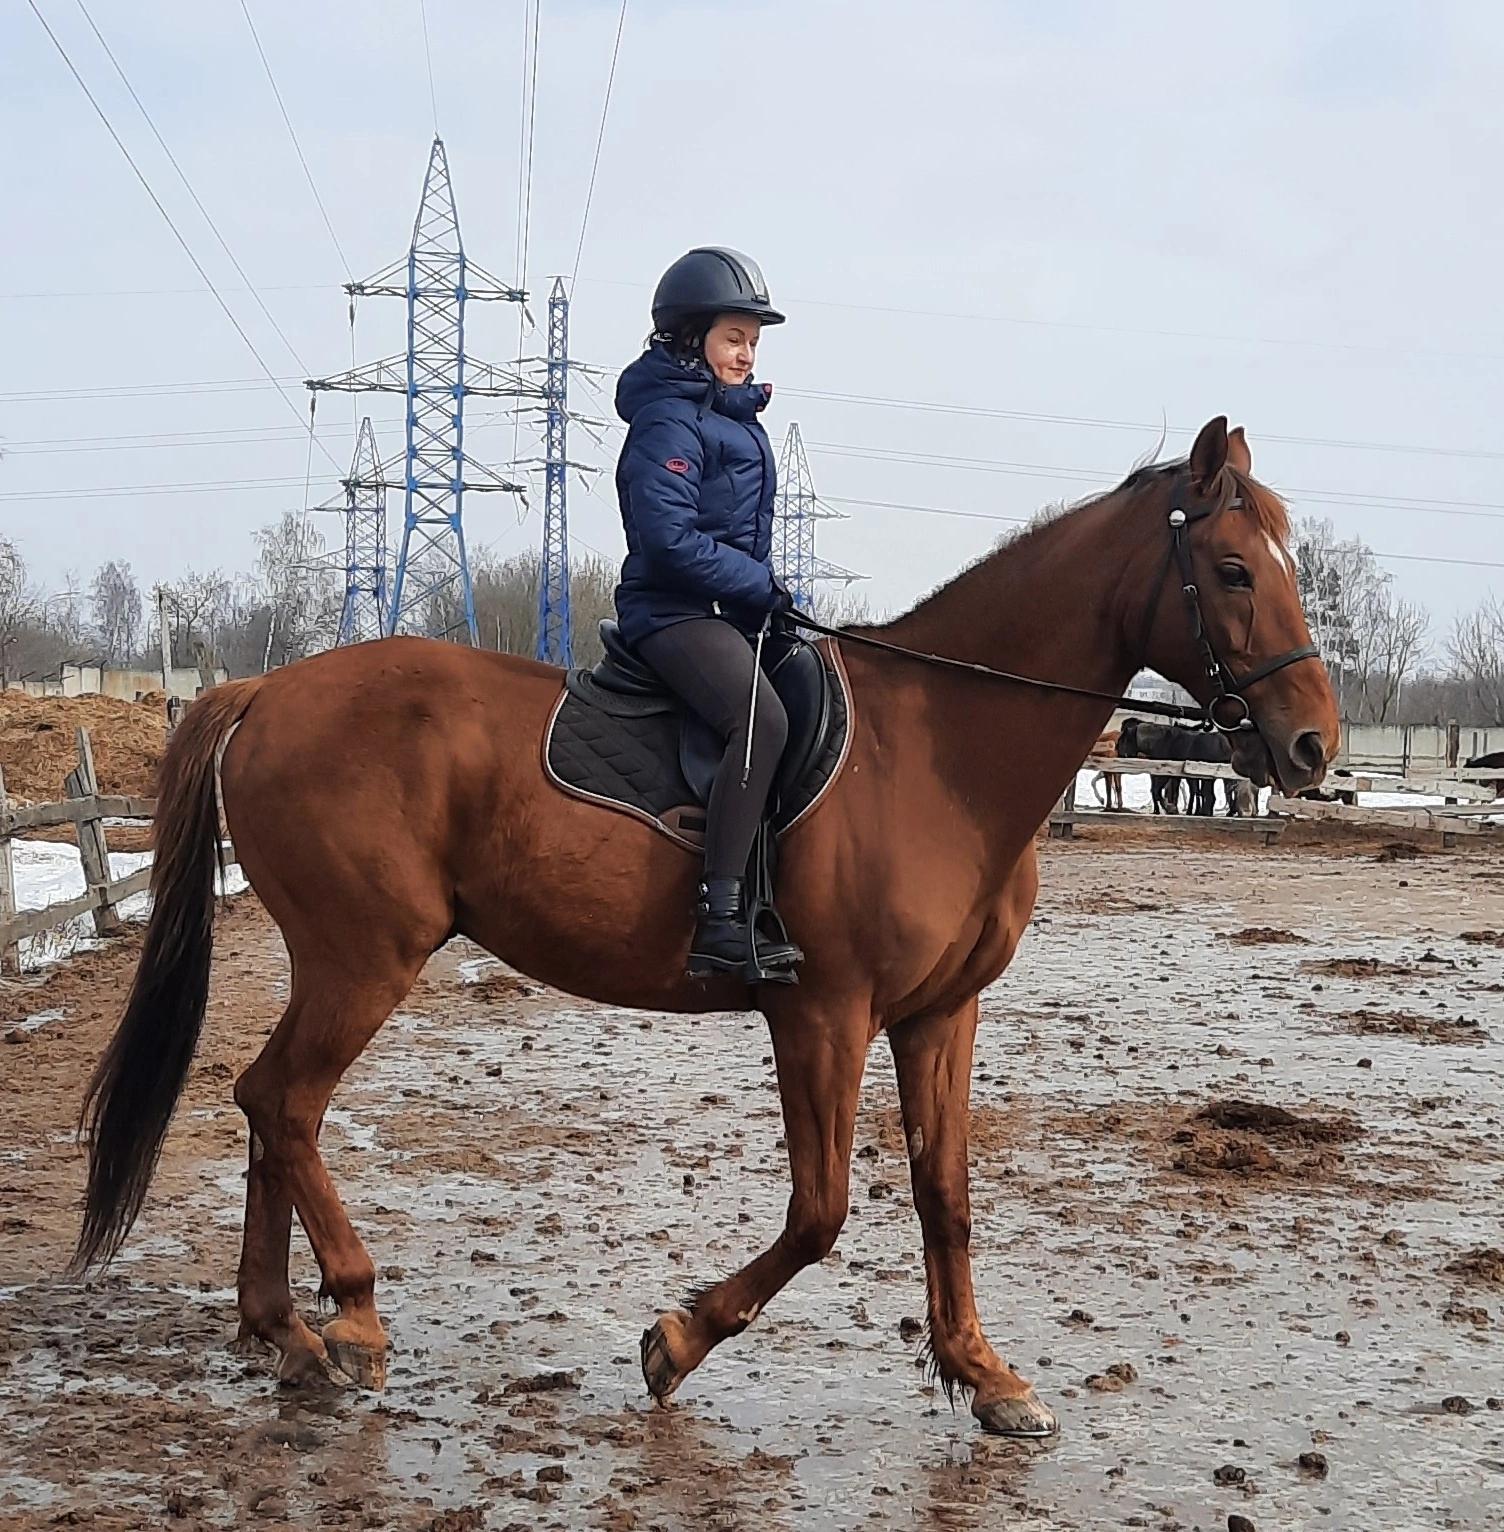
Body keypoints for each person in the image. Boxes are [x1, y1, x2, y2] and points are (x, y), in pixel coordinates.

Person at [612, 247, 802, 981]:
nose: (746, 354)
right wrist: (759, 586)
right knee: (761, 719)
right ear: (692, 339)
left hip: (727, 606)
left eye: (753, 342)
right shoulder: (669, 420)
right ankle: (720, 917)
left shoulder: (733, 419)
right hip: (671, 610)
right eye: (733, 338)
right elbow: (668, 538)